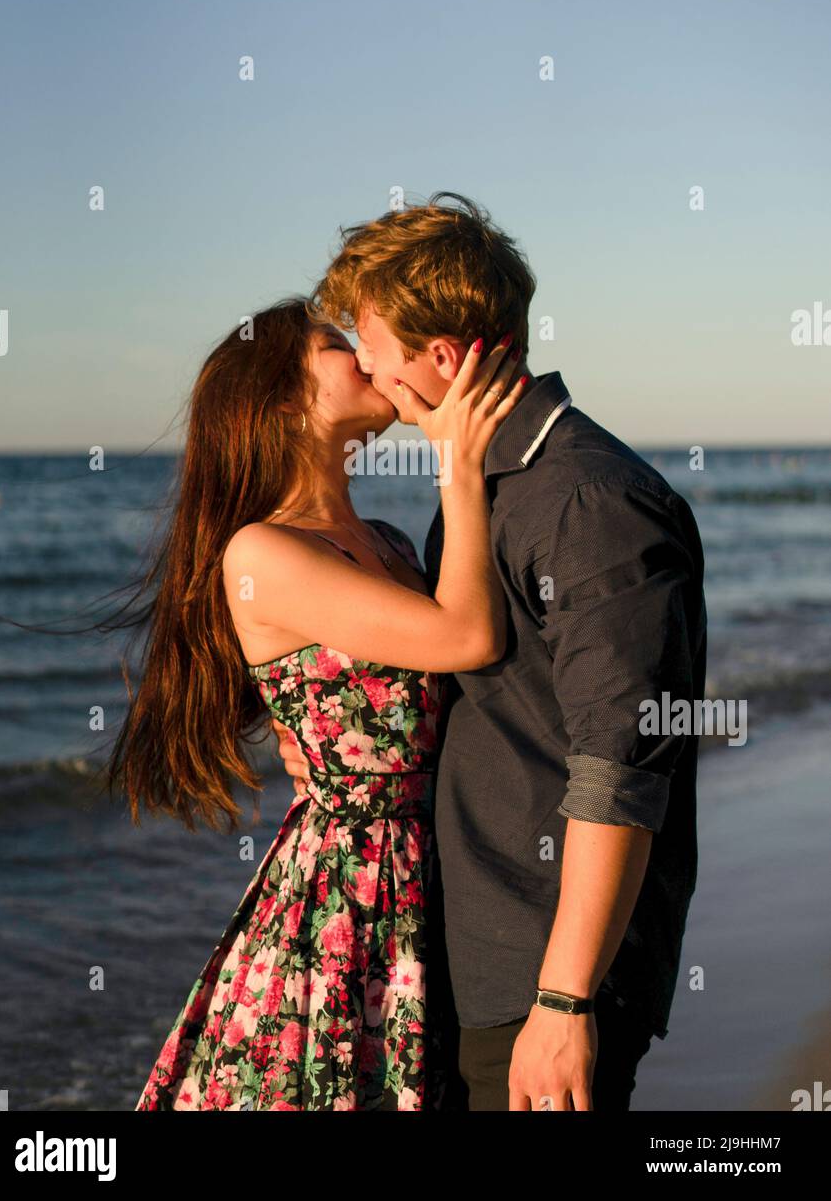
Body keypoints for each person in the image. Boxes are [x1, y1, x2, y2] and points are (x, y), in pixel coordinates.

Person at [277, 192, 707, 1111]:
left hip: (545, 970)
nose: (364, 364)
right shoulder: (487, 487)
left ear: (441, 356)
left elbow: (621, 768)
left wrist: (562, 1002)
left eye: (371, 340)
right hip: (480, 954)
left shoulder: (586, 501)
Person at [117, 296, 528, 1110]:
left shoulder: (392, 543)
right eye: (337, 347)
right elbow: (469, 637)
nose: (368, 358)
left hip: (432, 878)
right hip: (344, 899)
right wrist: (459, 462)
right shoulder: (263, 551)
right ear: (284, 401)